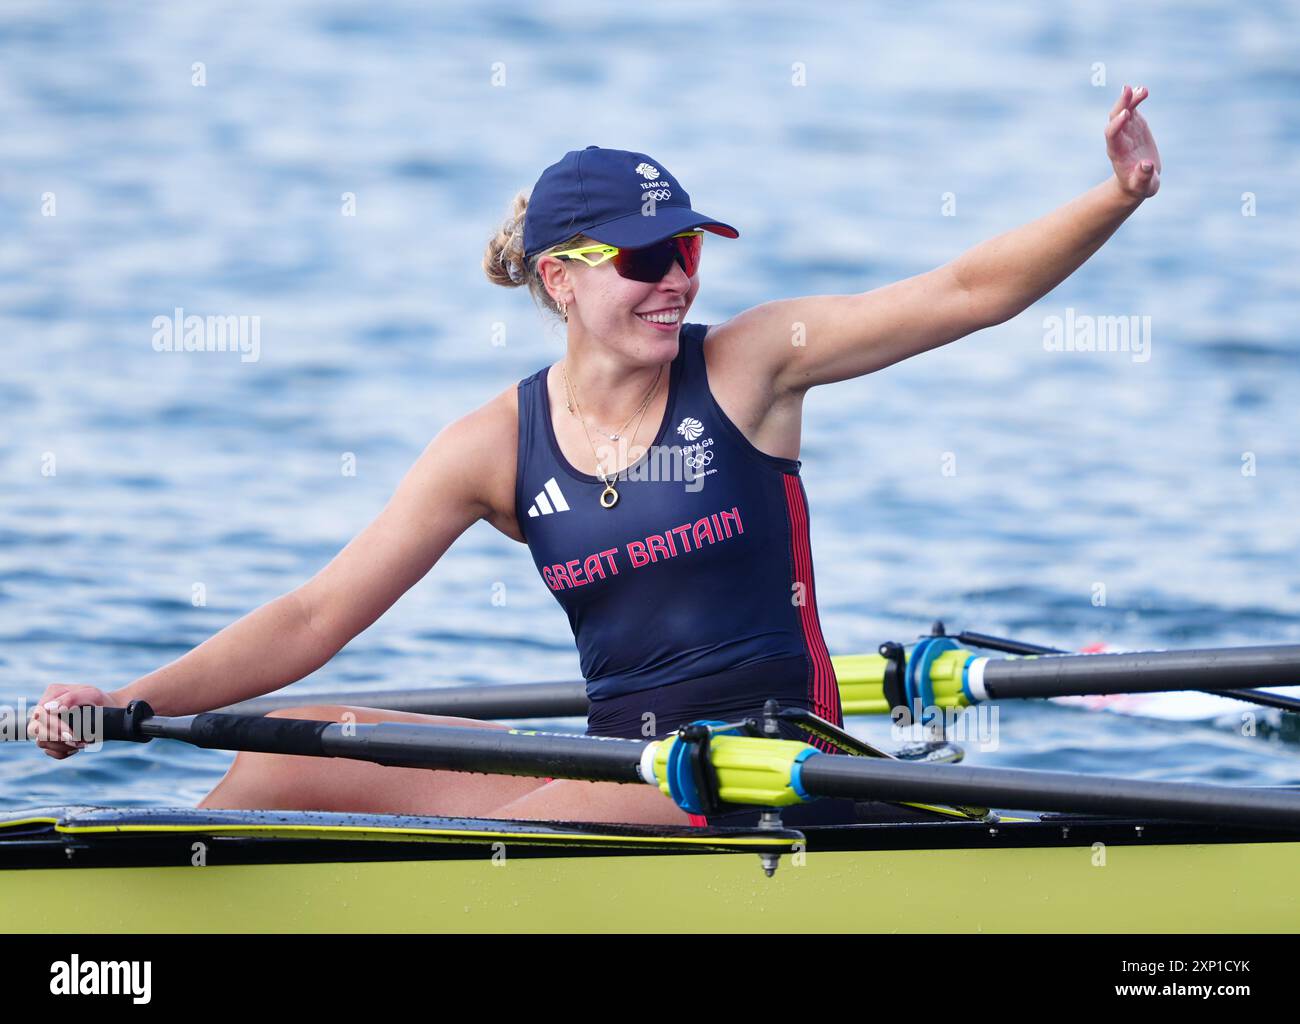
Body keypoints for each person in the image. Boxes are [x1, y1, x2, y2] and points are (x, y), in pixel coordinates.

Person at [29, 87, 1161, 826]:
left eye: (684, 251)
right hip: (627, 766)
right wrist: (123, 701)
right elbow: (315, 615)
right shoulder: (489, 445)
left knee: (517, 838)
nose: (675, 278)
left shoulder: (753, 367)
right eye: (642, 259)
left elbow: (963, 293)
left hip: (770, 766)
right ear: (557, 278)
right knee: (283, 765)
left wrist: (1112, 196)